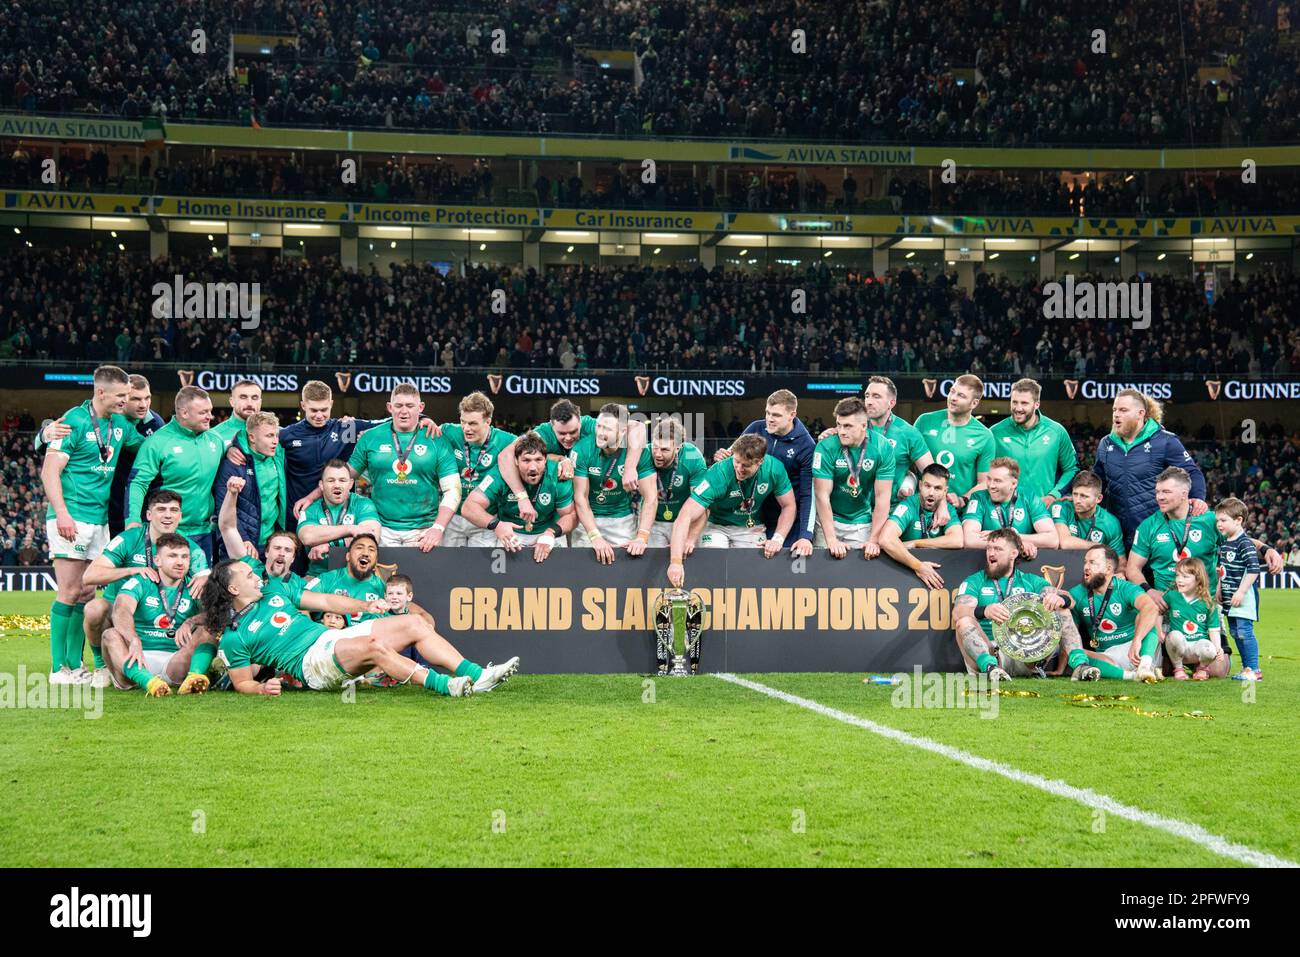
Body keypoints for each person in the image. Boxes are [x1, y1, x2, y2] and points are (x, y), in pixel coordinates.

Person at [201, 559, 519, 695]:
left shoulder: (275, 590)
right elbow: (242, 683)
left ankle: (478, 677)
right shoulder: (234, 637)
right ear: (232, 590)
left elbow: (326, 602)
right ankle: (444, 685)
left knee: (415, 622)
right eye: (247, 575)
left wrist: (366, 606)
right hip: (312, 666)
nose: (256, 576)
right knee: (373, 648)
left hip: (332, 638)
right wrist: (262, 688)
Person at [40, 364, 143, 684]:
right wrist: (62, 513)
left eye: (128, 396)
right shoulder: (74, 420)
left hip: (99, 521)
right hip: (71, 516)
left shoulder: (121, 425)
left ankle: (76, 665)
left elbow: (149, 446)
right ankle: (60, 668)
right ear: (101, 392)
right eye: (121, 396)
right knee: (69, 591)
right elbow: (49, 472)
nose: (125, 401)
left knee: (85, 593)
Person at [82, 489, 210, 687]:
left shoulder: (190, 549)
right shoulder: (130, 539)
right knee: (94, 609)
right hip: (123, 609)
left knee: (210, 618)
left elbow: (209, 590)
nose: (168, 515)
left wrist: (206, 580)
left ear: (180, 516)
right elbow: (90, 576)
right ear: (149, 515)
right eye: (161, 509)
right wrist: (132, 570)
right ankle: (102, 666)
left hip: (165, 618)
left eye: (174, 510)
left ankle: (198, 667)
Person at [953, 528, 1100, 682]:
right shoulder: (975, 581)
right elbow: (958, 612)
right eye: (989, 548)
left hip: (1026, 653)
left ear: (1013, 554)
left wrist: (1061, 600)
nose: (991, 553)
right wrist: (985, 611)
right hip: (990, 651)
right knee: (963, 621)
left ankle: (1080, 665)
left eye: (998, 549)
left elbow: (1070, 599)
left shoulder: (1030, 580)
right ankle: (991, 669)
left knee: (1062, 611)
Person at [40, 373, 165, 535]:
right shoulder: (94, 418)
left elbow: (160, 454)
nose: (143, 405)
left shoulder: (155, 424)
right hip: (99, 506)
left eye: (147, 398)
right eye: (135, 399)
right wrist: (43, 435)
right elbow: (52, 454)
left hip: (136, 505)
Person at [667, 434, 796, 587]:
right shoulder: (718, 473)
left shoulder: (775, 469)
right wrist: (675, 562)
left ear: (760, 462)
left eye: (745, 465)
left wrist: (777, 539)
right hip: (717, 526)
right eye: (736, 461)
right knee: (713, 565)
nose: (739, 469)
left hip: (751, 528)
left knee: (751, 576)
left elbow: (789, 506)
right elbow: (685, 515)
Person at [496, 399, 647, 525]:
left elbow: (638, 427)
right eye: (561, 433)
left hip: (589, 507)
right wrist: (522, 497)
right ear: (551, 425)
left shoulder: (591, 425)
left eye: (573, 432)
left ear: (581, 422)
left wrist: (630, 468)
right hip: (556, 506)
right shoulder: (542, 433)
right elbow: (505, 456)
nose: (568, 438)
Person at [99, 533, 215, 697]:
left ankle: (194, 678)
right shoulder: (140, 582)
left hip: (175, 661)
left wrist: (191, 621)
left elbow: (214, 615)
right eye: (172, 556)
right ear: (157, 560)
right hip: (137, 658)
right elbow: (121, 610)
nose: (180, 562)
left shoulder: (194, 586)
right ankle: (149, 682)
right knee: (109, 635)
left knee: (209, 629)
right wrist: (133, 639)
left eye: (185, 557)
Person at [345, 384, 459, 549]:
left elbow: (453, 490)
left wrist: (438, 528)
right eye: (398, 406)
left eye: (410, 406)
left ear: (421, 408)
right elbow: (345, 477)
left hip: (424, 530)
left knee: (423, 576)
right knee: (382, 575)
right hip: (379, 528)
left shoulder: (436, 439)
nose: (403, 411)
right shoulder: (370, 437)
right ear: (390, 407)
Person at [1092, 388, 1207, 548]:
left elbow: (1192, 472)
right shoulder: (1106, 443)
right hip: (1116, 535)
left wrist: (1198, 498)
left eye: (1123, 410)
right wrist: (1080, 494)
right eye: (1115, 410)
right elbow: (1097, 481)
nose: (1116, 414)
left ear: (1141, 413)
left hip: (1156, 532)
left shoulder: (1165, 441)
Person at [127, 385, 225, 560]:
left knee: (200, 586)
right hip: (166, 530)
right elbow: (137, 483)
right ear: (184, 413)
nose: (210, 416)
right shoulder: (157, 442)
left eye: (210, 411)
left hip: (204, 531)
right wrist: (132, 520)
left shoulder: (216, 441)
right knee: (164, 585)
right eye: (203, 412)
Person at [715, 390, 815, 557]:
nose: (769, 418)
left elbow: (808, 494)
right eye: (767, 412)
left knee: (783, 570)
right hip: (755, 514)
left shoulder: (806, 445)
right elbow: (734, 457)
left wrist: (805, 535)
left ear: (792, 415)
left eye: (776, 415)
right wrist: (722, 457)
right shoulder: (756, 427)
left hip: (788, 516)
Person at [460, 432, 576, 562]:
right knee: (505, 580)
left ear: (545, 460)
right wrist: (497, 525)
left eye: (538, 460)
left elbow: (570, 515)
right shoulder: (500, 474)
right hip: (510, 533)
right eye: (526, 460)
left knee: (555, 580)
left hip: (548, 532)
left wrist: (551, 533)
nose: (532, 467)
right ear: (515, 461)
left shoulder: (557, 474)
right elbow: (469, 507)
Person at [570, 403, 657, 563]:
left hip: (621, 520)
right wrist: (594, 536)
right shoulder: (581, 449)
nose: (600, 433)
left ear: (623, 431)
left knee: (623, 573)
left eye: (607, 429)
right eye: (599, 426)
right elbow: (580, 497)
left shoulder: (640, 453)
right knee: (581, 573)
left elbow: (651, 497)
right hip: (587, 520)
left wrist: (642, 537)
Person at [810, 396, 895, 559]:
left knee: (858, 576)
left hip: (861, 521)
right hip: (828, 519)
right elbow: (821, 495)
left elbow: (882, 497)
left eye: (848, 426)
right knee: (822, 574)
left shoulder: (882, 447)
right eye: (839, 425)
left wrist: (874, 540)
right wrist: (831, 539)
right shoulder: (825, 447)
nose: (841, 431)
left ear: (864, 426)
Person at [1067, 544, 1160, 682]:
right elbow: (1069, 633)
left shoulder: (1125, 588)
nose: (1086, 567)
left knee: (1149, 621)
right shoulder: (1077, 593)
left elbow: (1151, 608)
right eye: (1085, 562)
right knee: (1076, 651)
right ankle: (1133, 676)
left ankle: (1144, 667)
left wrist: (1137, 640)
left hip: (1136, 649)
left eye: (1092, 562)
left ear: (1108, 568)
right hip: (1107, 656)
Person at [434, 392, 516, 546]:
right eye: (463, 422)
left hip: (485, 518)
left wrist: (561, 460)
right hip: (453, 517)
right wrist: (425, 419)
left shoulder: (506, 440)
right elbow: (422, 432)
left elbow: (536, 449)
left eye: (472, 423)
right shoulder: (449, 431)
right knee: (447, 567)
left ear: (488, 421)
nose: (466, 428)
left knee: (479, 569)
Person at [988, 378, 1078, 506]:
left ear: (1037, 404)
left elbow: (1072, 469)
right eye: (1014, 402)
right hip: (1004, 509)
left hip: (1042, 509)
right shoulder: (995, 433)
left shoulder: (1056, 431)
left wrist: (1054, 495)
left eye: (1024, 403)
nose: (1018, 408)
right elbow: (983, 472)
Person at [912, 373, 995, 505]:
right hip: (921, 506)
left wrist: (962, 500)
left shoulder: (985, 436)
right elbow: (908, 464)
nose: (953, 398)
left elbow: (984, 482)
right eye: (952, 391)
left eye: (961, 395)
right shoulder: (924, 421)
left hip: (959, 511)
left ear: (974, 403)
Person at [212, 411, 286, 560]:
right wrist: (243, 538)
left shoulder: (278, 456)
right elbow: (222, 507)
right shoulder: (233, 463)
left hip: (271, 543)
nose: (275, 441)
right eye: (269, 436)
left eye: (276, 435)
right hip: (240, 543)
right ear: (252, 437)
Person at [878, 464, 963, 589]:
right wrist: (919, 566)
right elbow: (886, 539)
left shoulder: (948, 510)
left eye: (938, 488)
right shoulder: (909, 505)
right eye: (927, 486)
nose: (931, 493)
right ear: (920, 485)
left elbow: (958, 540)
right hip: (904, 573)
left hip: (937, 578)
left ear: (945, 491)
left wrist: (917, 543)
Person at [295, 459, 382, 576]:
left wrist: (329, 546)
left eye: (342, 480)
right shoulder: (310, 510)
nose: (337, 485)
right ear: (321, 485)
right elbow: (307, 536)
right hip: (319, 575)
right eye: (331, 480)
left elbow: (371, 537)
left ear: (351, 483)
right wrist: (350, 529)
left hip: (354, 576)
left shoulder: (363, 504)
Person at [961, 458, 1056, 555]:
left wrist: (1013, 537)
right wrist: (1018, 544)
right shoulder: (978, 497)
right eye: (989, 479)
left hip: (1025, 563)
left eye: (997, 481)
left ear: (1013, 483)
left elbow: (1052, 540)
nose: (991, 485)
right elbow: (969, 540)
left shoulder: (1029, 497)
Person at [1214, 497, 1262, 681]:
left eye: (1223, 520)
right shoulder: (1225, 543)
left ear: (1238, 520)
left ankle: (1254, 669)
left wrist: (1241, 591)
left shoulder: (1244, 543)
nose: (1219, 524)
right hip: (1228, 597)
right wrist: (1219, 587)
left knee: (1244, 632)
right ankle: (1246, 668)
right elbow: (1222, 569)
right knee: (1235, 633)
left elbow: (1254, 569)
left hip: (1242, 598)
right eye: (1218, 520)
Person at [646, 416, 708, 548]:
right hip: (654, 522)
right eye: (655, 447)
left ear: (678, 448)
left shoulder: (693, 456)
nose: (657, 454)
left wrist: (689, 539)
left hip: (686, 522)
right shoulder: (645, 453)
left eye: (664, 450)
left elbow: (701, 503)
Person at [305, 535, 391, 625]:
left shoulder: (383, 587)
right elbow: (300, 604)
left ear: (376, 561)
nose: (366, 553)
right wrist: (311, 630)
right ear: (348, 556)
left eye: (371, 550)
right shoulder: (327, 579)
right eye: (359, 548)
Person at [1164, 557, 1225, 680]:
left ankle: (1202, 668)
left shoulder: (1208, 603)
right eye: (1177, 576)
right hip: (1179, 646)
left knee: (1210, 649)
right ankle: (1178, 668)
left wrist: (1218, 648)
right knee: (1174, 635)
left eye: (1185, 577)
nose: (1179, 580)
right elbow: (1158, 611)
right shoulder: (1171, 596)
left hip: (1198, 647)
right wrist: (1159, 630)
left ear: (1198, 580)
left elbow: (1213, 629)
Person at [1052, 472, 1125, 558]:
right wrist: (1099, 547)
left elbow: (1121, 564)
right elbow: (1064, 543)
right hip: (1061, 564)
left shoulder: (1110, 523)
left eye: (1084, 496)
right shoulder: (1061, 507)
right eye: (1075, 494)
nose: (1077, 500)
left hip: (1094, 568)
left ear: (1099, 498)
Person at [209, 379, 264, 451]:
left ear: (260, 403)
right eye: (243, 397)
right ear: (232, 402)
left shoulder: (278, 433)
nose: (249, 403)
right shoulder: (214, 435)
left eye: (254, 398)